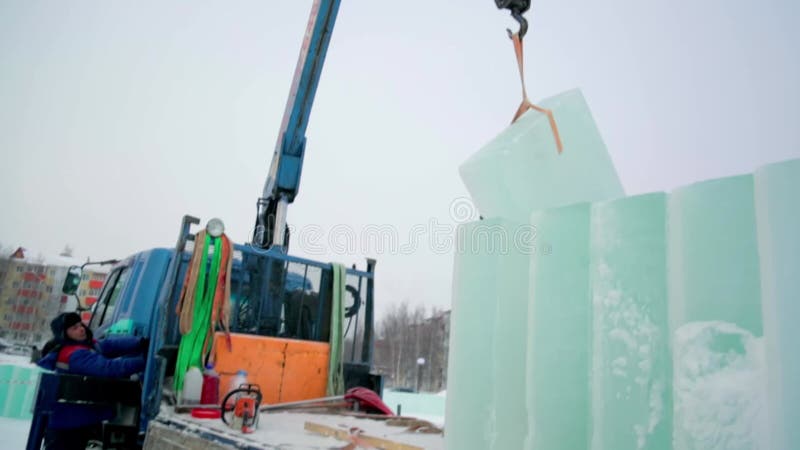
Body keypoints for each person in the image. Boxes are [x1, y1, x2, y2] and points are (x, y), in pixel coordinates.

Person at [35, 312, 147, 450]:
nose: (81, 329)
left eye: (80, 324)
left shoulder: (86, 345)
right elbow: (109, 368)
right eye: (74, 328)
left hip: (80, 419)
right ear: (64, 334)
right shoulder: (74, 355)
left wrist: (140, 342)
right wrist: (144, 362)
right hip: (69, 426)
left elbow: (109, 345)